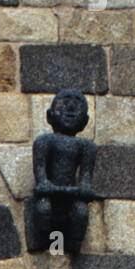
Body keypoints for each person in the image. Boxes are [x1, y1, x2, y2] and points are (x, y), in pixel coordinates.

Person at [29, 89, 97, 255]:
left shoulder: (87, 147)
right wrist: (44, 184)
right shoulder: (44, 142)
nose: (71, 108)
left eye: (77, 104)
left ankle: (72, 244)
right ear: (50, 116)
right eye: (65, 102)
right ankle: (48, 241)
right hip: (50, 195)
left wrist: (84, 189)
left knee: (80, 212)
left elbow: (85, 177)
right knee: (43, 209)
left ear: (85, 120)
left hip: (71, 198)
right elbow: (40, 173)